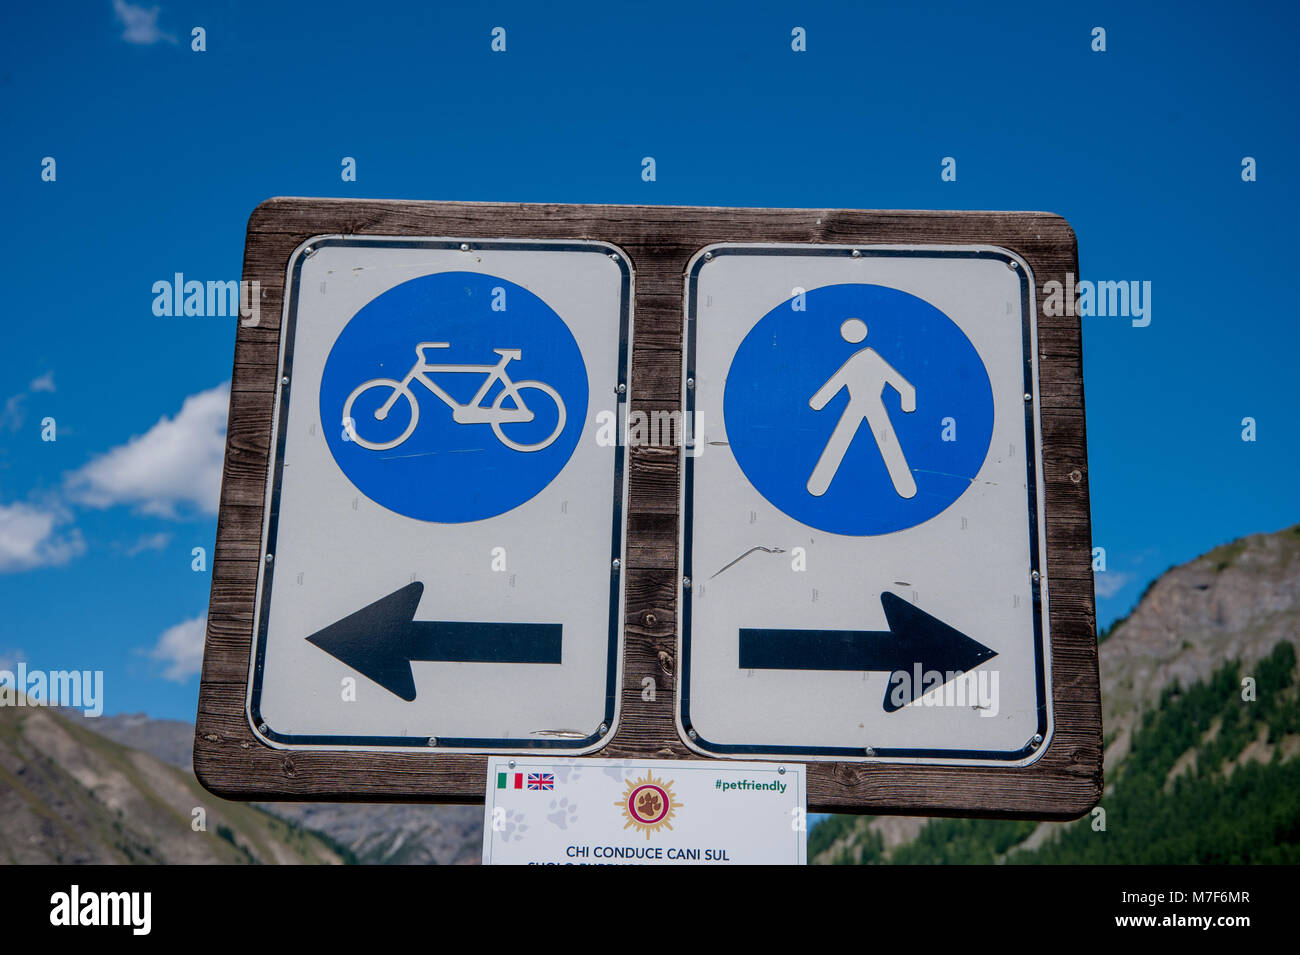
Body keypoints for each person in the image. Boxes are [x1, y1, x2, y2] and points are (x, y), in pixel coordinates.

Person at [807, 318, 917, 498]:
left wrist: (818, 403)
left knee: (843, 441)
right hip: (862, 405)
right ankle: (906, 489)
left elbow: (837, 382)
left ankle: (817, 486)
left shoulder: (861, 361)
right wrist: (907, 404)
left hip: (866, 405)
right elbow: (904, 387)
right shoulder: (866, 361)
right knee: (878, 442)